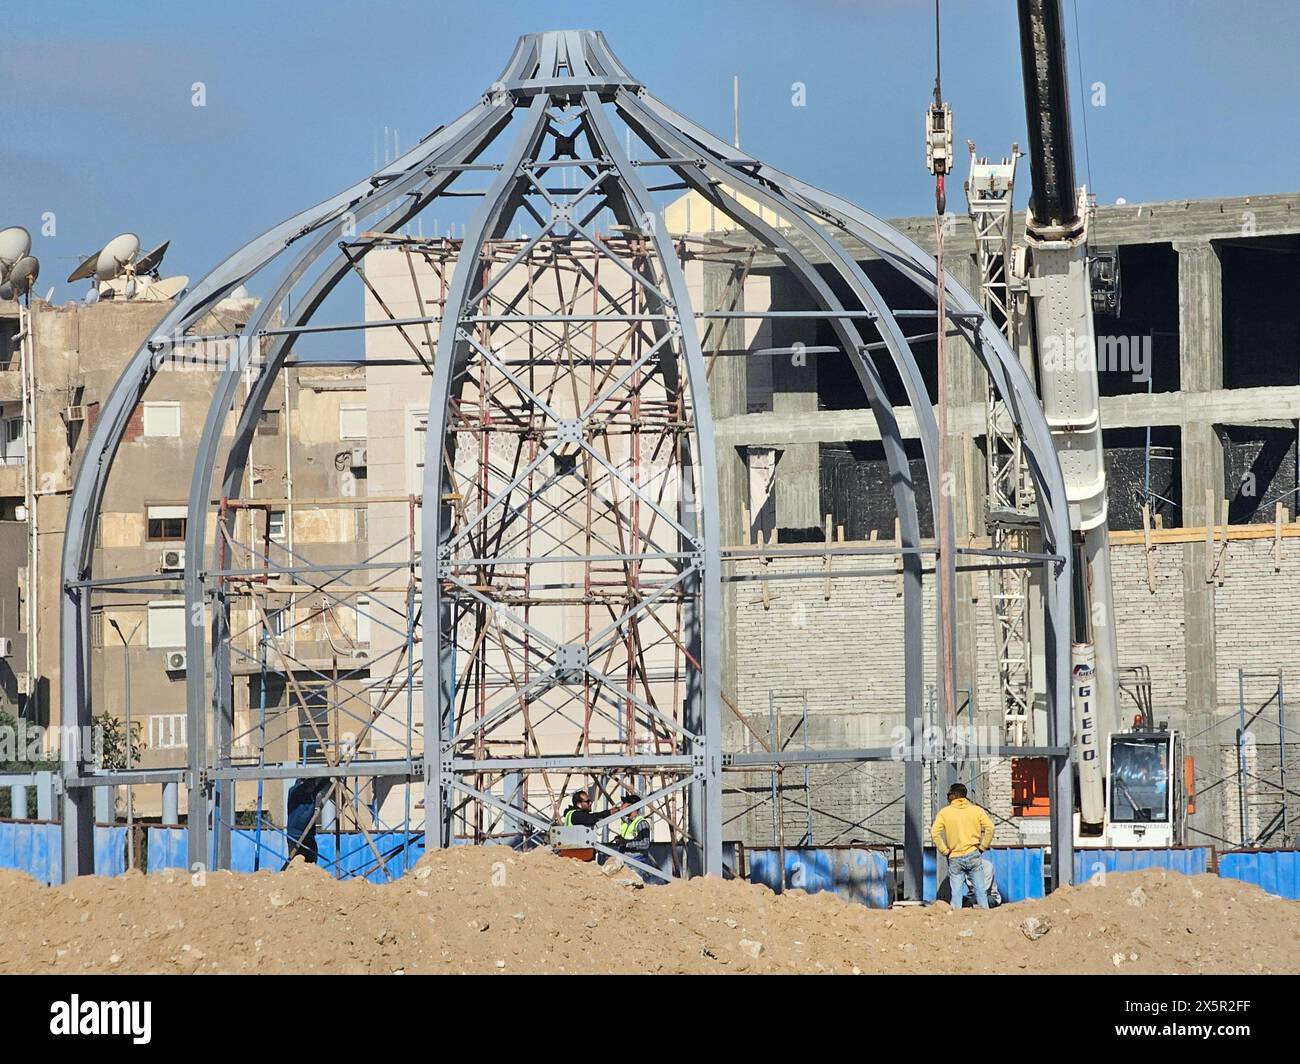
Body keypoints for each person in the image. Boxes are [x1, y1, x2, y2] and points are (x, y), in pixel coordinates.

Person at [930, 783, 995, 909]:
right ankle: (985, 917)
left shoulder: (945, 813)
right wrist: (982, 847)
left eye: (949, 794)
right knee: (981, 891)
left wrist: (945, 851)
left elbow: (934, 832)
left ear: (955, 795)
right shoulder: (976, 810)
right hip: (973, 854)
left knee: (956, 894)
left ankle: (956, 919)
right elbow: (990, 828)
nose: (947, 797)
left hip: (954, 856)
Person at [285, 776, 332, 865]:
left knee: (312, 861)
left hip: (308, 837)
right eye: (311, 785)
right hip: (296, 837)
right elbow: (305, 787)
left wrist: (327, 774)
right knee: (297, 864)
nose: (313, 787)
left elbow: (319, 785)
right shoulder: (294, 792)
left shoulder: (310, 793)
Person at [612, 793, 652, 862]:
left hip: (636, 860)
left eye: (624, 804)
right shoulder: (626, 823)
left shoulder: (641, 823)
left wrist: (626, 843)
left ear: (632, 806)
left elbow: (645, 844)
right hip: (626, 858)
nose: (621, 807)